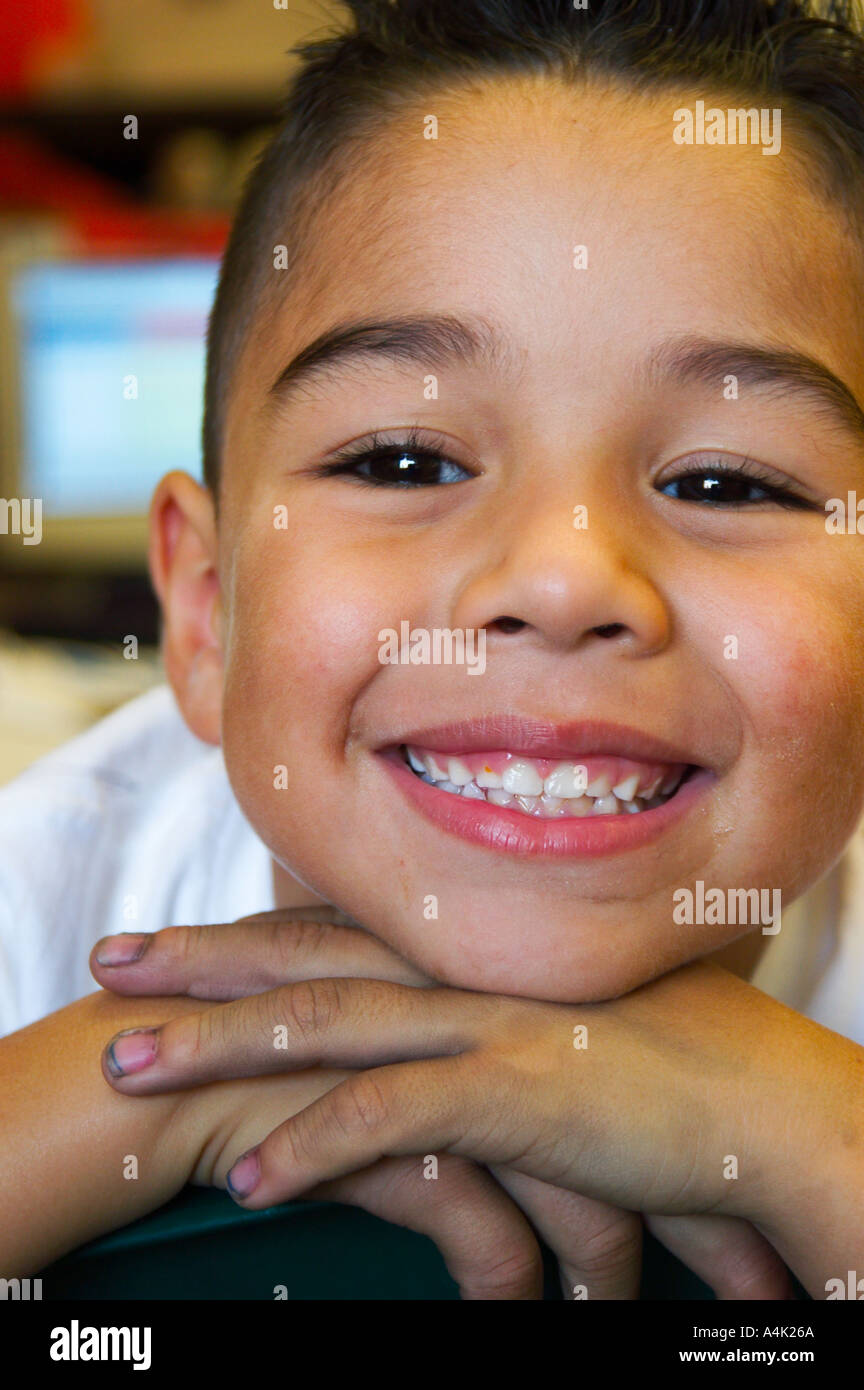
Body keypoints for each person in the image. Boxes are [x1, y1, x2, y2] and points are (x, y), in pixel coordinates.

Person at [3, 0, 864, 1298]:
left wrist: (818, 1131)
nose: (566, 578)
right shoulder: (55, 876)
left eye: (729, 483)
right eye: (404, 459)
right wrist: (127, 1090)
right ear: (209, 607)